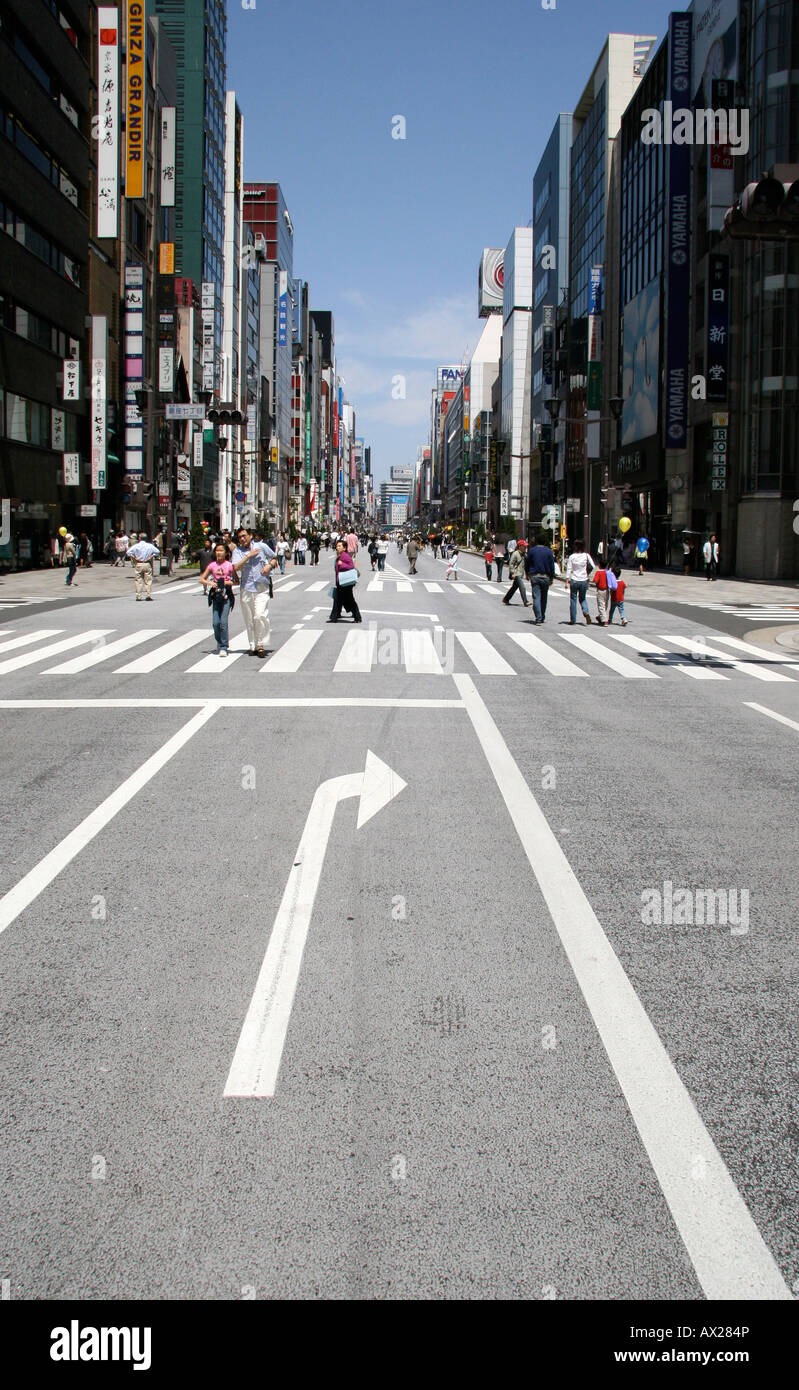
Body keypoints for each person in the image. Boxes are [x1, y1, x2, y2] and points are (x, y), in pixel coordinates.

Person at [232, 525, 278, 658]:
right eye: (240, 537)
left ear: (250, 535)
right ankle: (252, 644)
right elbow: (235, 567)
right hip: (246, 587)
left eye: (244, 535)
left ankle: (261, 644)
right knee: (249, 618)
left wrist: (269, 566)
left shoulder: (261, 546)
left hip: (262, 586)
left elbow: (274, 557)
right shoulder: (238, 551)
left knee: (259, 615)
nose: (242, 538)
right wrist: (248, 556)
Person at [200, 541, 236, 655]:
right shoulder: (212, 565)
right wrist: (211, 583)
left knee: (223, 622)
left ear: (226, 553)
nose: (219, 553)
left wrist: (226, 582)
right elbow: (202, 579)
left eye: (221, 551)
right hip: (216, 595)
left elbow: (236, 581)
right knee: (216, 623)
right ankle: (219, 642)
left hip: (226, 595)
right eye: (217, 551)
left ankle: (224, 646)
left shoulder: (229, 565)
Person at [328, 538, 362, 622]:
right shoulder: (340, 555)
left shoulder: (345, 556)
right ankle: (334, 617)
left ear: (344, 548)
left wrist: (342, 564)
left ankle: (357, 617)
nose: (337, 547)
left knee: (349, 600)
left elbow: (351, 567)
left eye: (339, 546)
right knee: (338, 600)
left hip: (346, 583)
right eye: (337, 546)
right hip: (341, 582)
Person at [525, 533, 556, 623]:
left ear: (536, 541)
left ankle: (538, 617)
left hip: (535, 576)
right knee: (544, 598)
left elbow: (527, 563)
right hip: (546, 577)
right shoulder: (549, 551)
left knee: (536, 597)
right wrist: (551, 577)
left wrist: (527, 573)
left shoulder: (532, 550)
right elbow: (551, 566)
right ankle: (542, 616)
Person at [565, 539, 595, 624]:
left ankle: (573, 619)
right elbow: (592, 565)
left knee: (573, 599)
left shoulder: (572, 556)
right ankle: (586, 612)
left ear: (575, 546)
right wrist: (587, 572)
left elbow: (569, 569)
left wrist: (567, 581)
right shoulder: (586, 555)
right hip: (584, 580)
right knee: (582, 598)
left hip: (574, 580)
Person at [126, 533, 158, 600]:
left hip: (139, 563)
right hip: (147, 563)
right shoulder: (149, 546)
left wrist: (135, 557)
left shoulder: (136, 546)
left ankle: (138, 596)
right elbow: (157, 551)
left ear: (139, 538)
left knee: (138, 580)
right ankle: (148, 595)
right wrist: (151, 556)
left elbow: (128, 552)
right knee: (148, 580)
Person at [502, 539, 531, 606]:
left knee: (514, 587)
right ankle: (525, 601)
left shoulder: (524, 555)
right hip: (516, 574)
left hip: (521, 574)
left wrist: (527, 575)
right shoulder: (515, 554)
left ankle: (506, 599)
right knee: (522, 587)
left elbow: (526, 565)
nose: (525, 547)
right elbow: (511, 564)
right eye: (524, 546)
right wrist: (513, 573)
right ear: (520, 546)